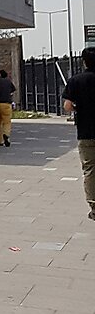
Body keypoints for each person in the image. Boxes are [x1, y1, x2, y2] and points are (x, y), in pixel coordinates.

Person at [62, 47, 95, 222]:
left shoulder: (76, 81)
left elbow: (67, 106)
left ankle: (94, 207)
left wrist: (78, 108)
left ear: (84, 61)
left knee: (90, 170)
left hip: (86, 131)